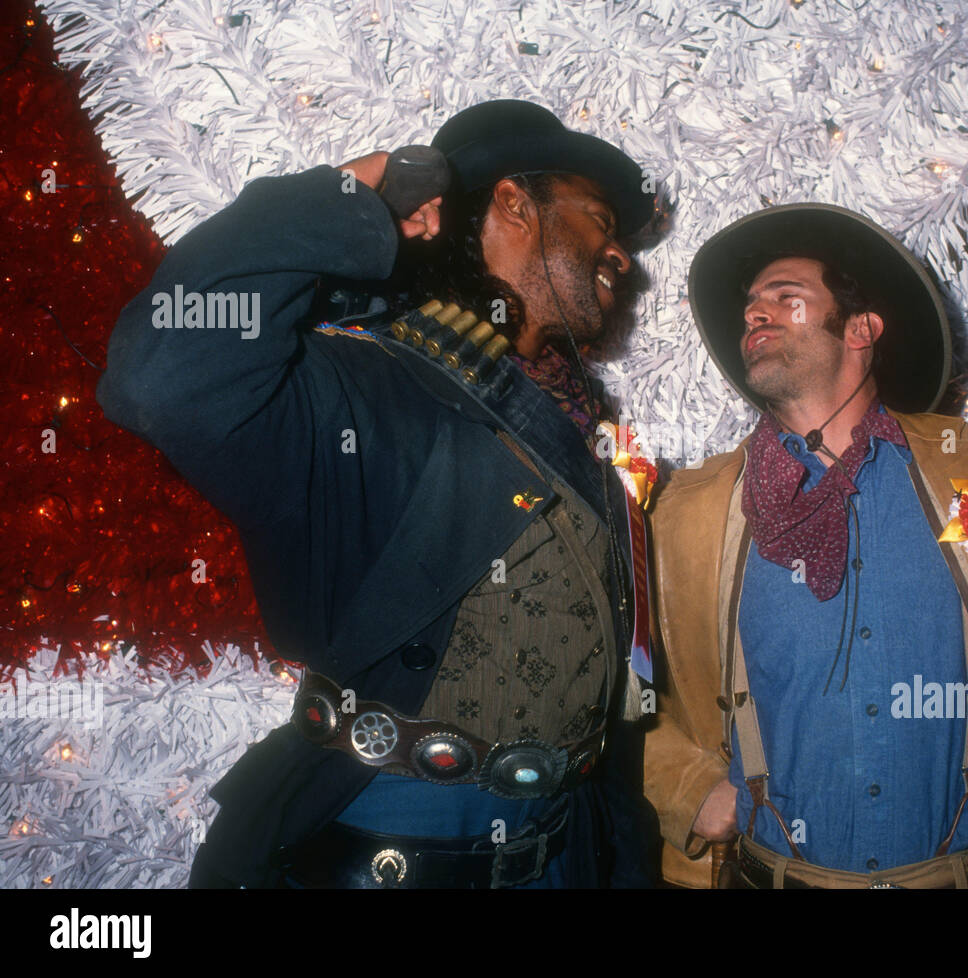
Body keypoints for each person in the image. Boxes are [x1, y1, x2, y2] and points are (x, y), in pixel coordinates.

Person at [98, 100, 659, 888]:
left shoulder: (584, 425)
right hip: (398, 841)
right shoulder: (372, 387)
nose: (620, 254)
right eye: (600, 217)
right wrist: (345, 204)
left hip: (561, 845)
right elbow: (161, 373)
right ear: (513, 204)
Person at [644, 203, 968, 888]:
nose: (754, 314)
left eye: (786, 296)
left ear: (861, 328)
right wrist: (686, 787)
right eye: (750, 305)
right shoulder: (687, 508)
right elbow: (615, 682)